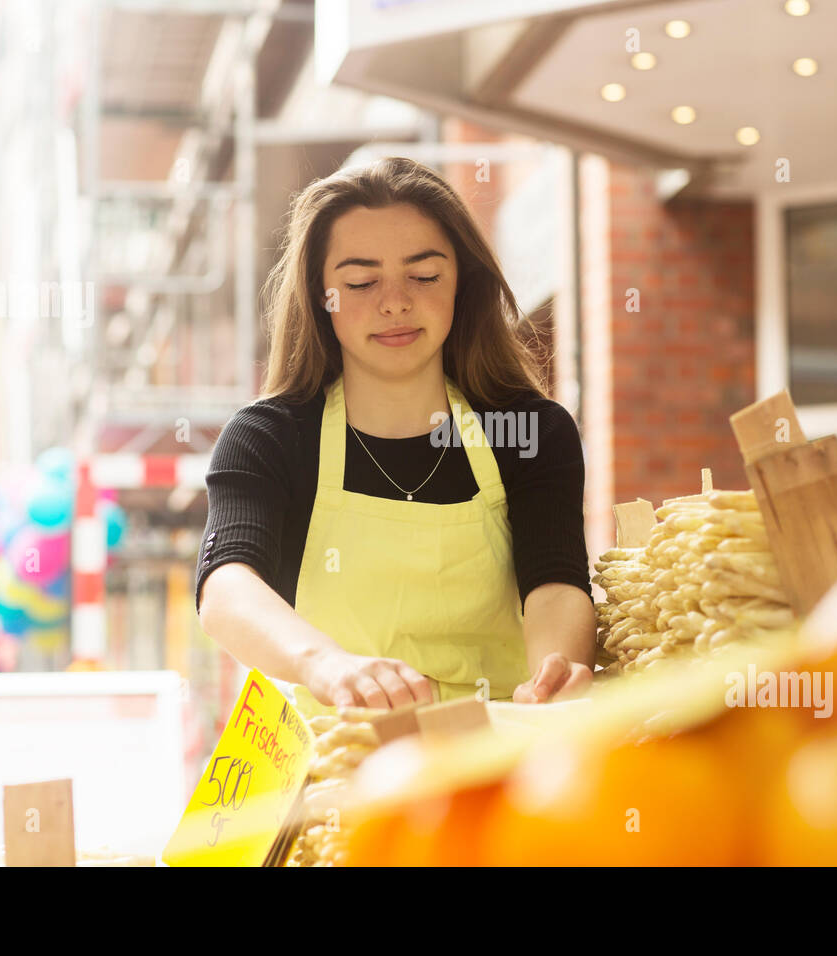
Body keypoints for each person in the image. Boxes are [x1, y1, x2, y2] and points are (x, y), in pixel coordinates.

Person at [196, 156, 596, 716]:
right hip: (334, 763)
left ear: (463, 282)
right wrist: (326, 665)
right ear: (320, 296)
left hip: (493, 757)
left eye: (425, 276)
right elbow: (227, 586)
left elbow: (554, 580)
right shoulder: (269, 438)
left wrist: (555, 671)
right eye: (360, 282)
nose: (395, 302)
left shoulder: (528, 431)